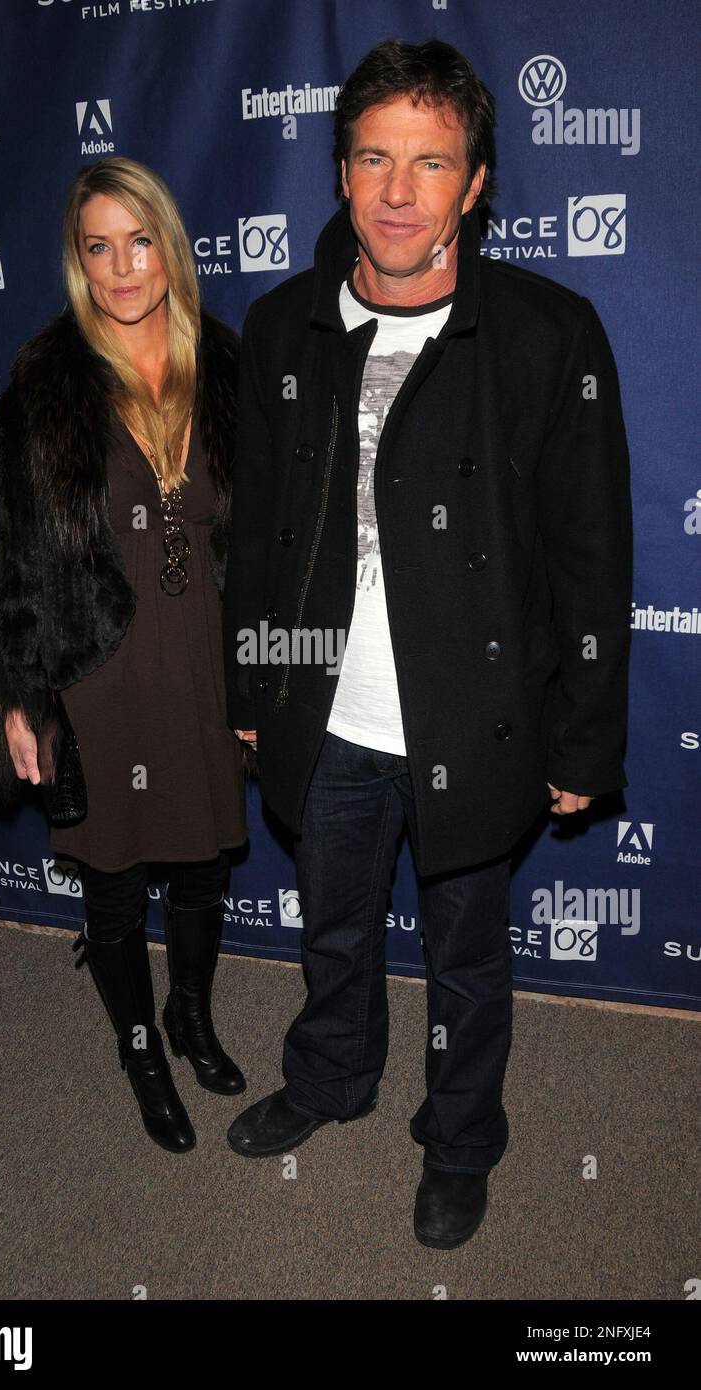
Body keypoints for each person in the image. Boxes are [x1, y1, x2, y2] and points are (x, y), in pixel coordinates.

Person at [222, 39, 632, 1246]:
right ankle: (331, 1076)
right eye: (373, 159)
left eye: (429, 162)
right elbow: (263, 540)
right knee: (332, 924)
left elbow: (592, 558)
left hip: (478, 719)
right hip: (329, 716)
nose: (398, 192)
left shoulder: (548, 335)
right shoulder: (282, 324)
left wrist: (584, 740)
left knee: (466, 959)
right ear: (342, 171)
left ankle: (459, 1139)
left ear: (475, 182)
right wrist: (259, 682)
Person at [0, 156, 249, 1156]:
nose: (122, 268)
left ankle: (190, 1014)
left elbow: (255, 536)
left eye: (139, 242)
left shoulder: (223, 364)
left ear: (168, 248)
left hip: (203, 661)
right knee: (115, 874)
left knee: (202, 858)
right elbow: (14, 547)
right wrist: (17, 690)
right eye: (99, 247)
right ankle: (139, 1047)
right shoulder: (44, 378)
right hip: (96, 663)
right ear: (78, 259)